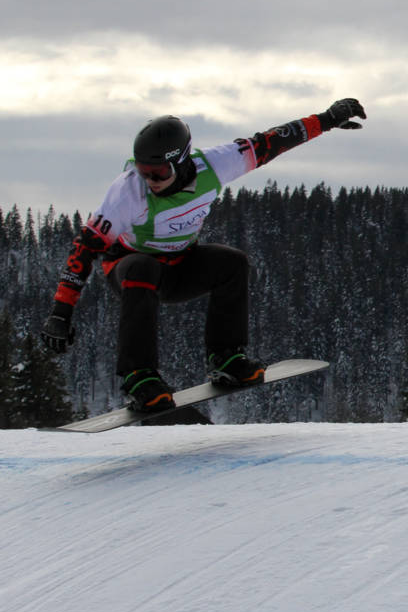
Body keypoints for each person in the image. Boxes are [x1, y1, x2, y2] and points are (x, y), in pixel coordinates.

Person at [39, 99, 367, 412]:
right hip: (130, 271)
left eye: (158, 172)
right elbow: (84, 249)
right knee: (141, 266)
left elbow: (270, 143)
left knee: (232, 262)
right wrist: (60, 313)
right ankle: (139, 376)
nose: (150, 180)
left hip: (179, 266)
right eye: (143, 171)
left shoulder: (214, 164)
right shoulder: (127, 191)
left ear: (181, 163)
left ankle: (226, 357)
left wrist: (326, 120)